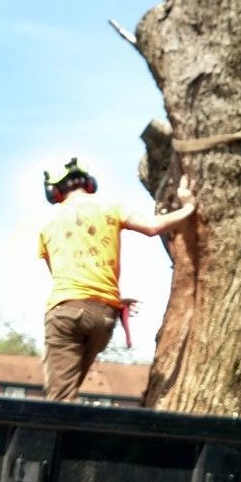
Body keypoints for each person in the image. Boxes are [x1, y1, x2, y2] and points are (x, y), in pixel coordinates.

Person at [37, 157, 195, 401]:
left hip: (66, 312)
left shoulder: (47, 224)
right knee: (68, 392)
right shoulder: (111, 206)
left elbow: (62, 276)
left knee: (59, 396)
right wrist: (188, 208)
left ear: (54, 190)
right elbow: (152, 227)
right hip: (104, 316)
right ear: (88, 182)